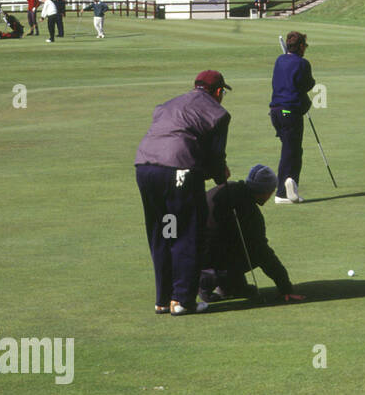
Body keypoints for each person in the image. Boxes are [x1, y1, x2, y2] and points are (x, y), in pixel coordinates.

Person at [134, 70, 232, 315]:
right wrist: (220, 177)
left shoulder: (167, 105)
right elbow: (216, 156)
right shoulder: (219, 114)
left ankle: (163, 299)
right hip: (178, 172)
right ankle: (183, 300)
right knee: (187, 233)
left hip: (145, 169)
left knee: (165, 231)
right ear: (219, 92)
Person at [199, 164, 305, 306]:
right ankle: (205, 280)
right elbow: (263, 253)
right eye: (271, 191)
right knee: (254, 254)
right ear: (264, 190)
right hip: (201, 254)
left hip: (195, 246)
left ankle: (232, 286)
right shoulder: (249, 210)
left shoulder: (233, 189)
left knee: (239, 244)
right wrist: (285, 287)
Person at [270, 30, 316, 203]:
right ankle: (285, 191)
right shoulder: (303, 64)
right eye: (305, 46)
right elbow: (308, 84)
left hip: (275, 112)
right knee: (293, 151)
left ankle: (285, 189)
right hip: (290, 112)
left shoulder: (279, 60)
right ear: (301, 46)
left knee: (289, 150)